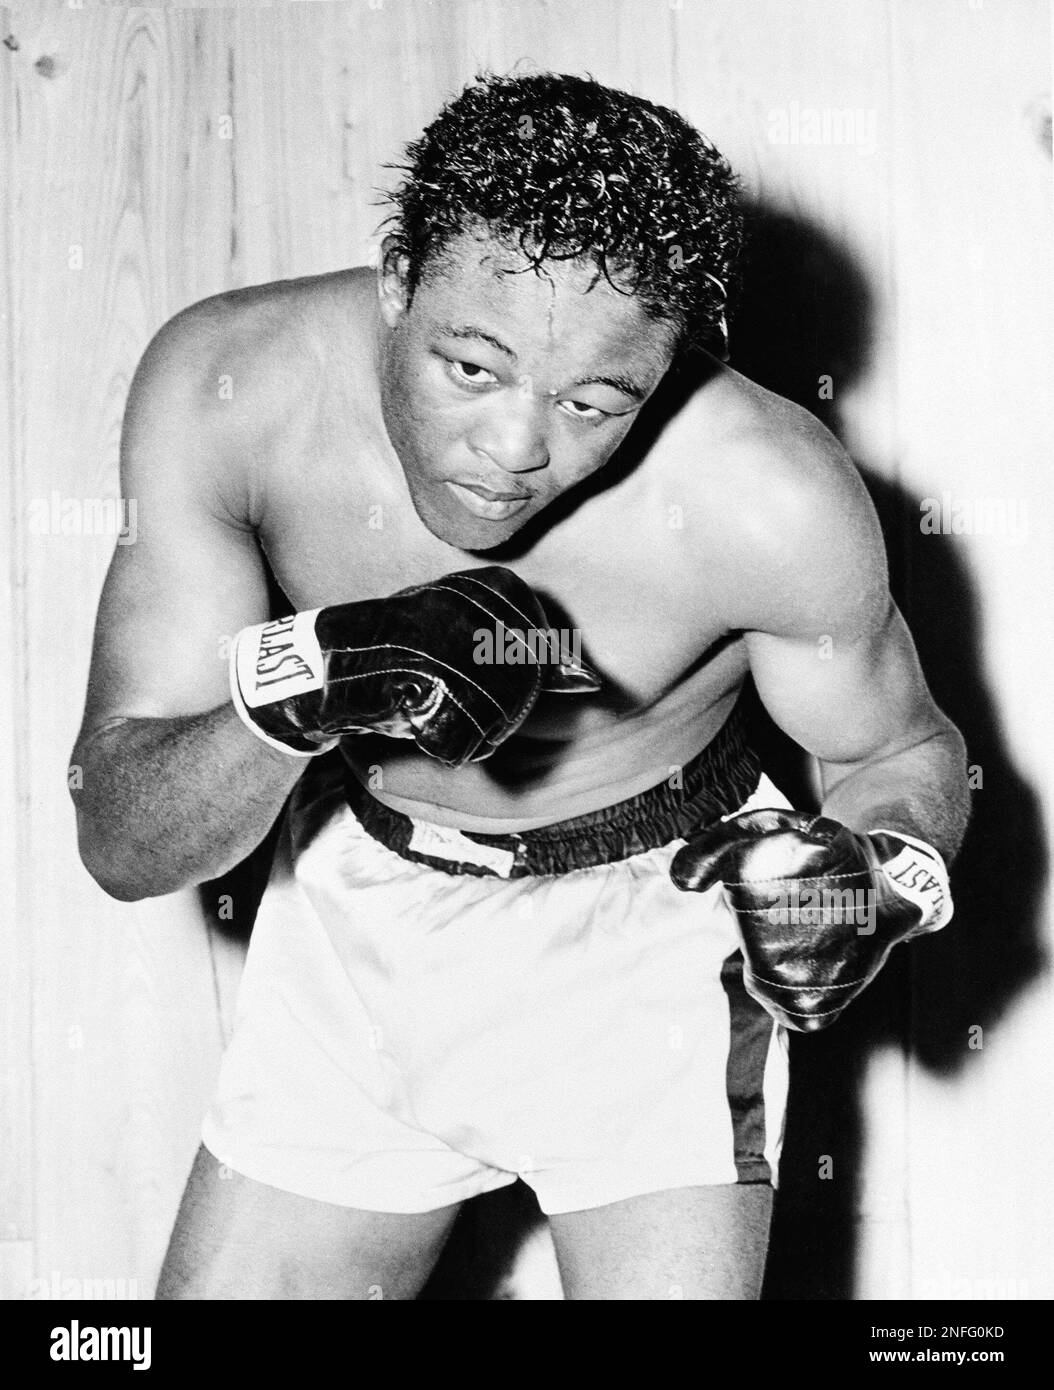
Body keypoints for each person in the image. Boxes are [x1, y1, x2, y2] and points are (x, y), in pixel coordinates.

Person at [71, 71, 968, 1300]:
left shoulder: (769, 496)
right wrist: (304, 692)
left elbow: (900, 757)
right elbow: (124, 838)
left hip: (657, 936)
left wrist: (879, 881)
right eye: (470, 369)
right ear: (398, 278)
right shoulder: (233, 391)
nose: (516, 449)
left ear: (670, 365)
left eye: (597, 400)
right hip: (359, 921)